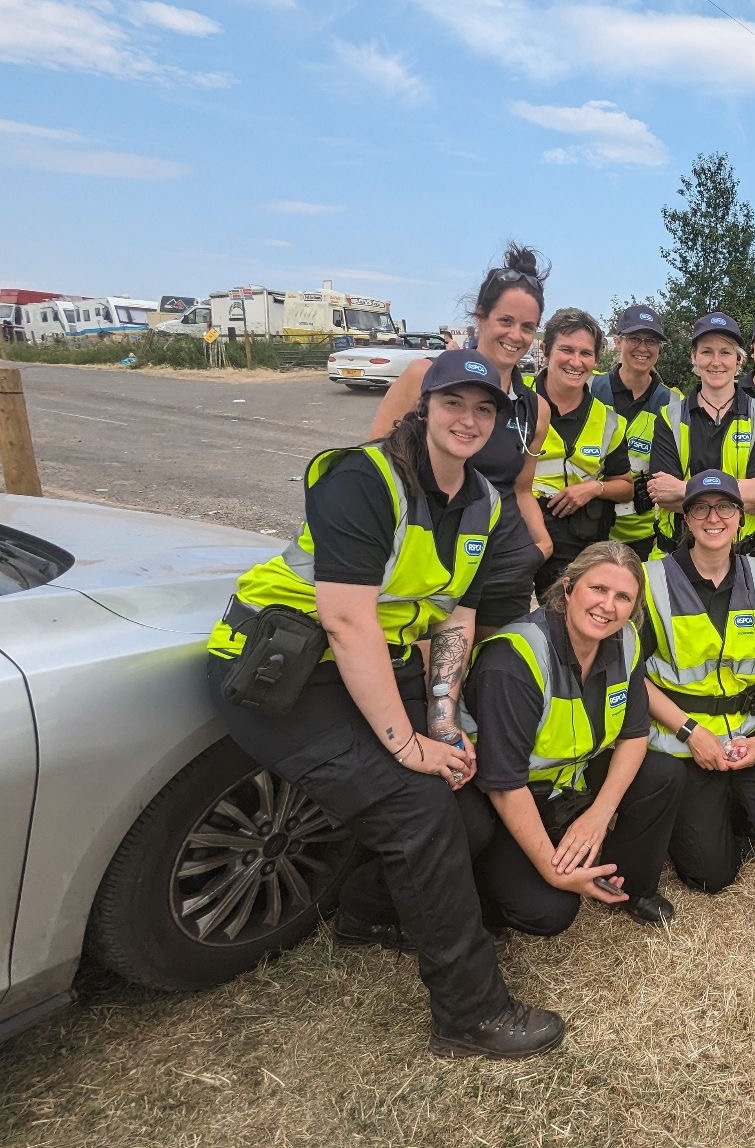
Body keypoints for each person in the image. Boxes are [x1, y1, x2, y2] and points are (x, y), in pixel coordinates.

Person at [205, 350, 561, 1060]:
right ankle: (470, 1014)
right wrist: (406, 747)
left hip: (376, 666)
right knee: (415, 805)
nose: (469, 419)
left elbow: (455, 618)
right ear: (423, 407)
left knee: (463, 800)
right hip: (285, 672)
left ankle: (369, 912)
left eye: (484, 409)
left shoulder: (484, 504)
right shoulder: (362, 478)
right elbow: (346, 622)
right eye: (454, 403)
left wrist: (440, 723)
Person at [465, 542, 686, 931]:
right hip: (502, 801)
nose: (608, 606)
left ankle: (628, 886)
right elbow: (503, 784)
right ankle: (476, 890)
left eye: (623, 597)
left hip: (569, 782)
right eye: (597, 589)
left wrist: (598, 818)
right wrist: (553, 873)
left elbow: (635, 735)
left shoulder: (626, 641)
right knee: (549, 912)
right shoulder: (514, 659)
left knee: (663, 773)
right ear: (567, 589)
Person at [641, 471, 755, 893]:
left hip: (748, 733)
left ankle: (736, 800)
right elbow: (630, 676)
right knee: (710, 877)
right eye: (701, 507)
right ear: (686, 519)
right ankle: (704, 812)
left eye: (725, 508)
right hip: (684, 741)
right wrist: (690, 731)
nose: (713, 518)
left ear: (740, 517)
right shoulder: (651, 580)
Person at [371, 246, 553, 629]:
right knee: (425, 677)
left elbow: (520, 490)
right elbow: (374, 471)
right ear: (479, 318)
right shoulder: (424, 378)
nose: (515, 336)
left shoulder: (534, 408)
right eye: (505, 320)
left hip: (502, 568)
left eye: (527, 327)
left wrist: (541, 546)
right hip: (426, 562)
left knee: (496, 677)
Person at [647, 312, 755, 556]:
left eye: (725, 352)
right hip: (676, 555)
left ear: (739, 360)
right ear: (694, 358)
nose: (716, 361)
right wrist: (737, 497)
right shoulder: (669, 417)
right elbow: (663, 494)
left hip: (744, 556)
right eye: (707, 352)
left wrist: (683, 489)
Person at [528, 308, 633, 595]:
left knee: (562, 627)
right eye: (566, 350)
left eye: (586, 353)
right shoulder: (515, 398)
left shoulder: (609, 420)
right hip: (517, 532)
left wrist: (593, 489)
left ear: (596, 359)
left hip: (577, 541)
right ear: (546, 350)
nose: (576, 362)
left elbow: (625, 487)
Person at [589, 304, 681, 561]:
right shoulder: (590, 389)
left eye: (651, 341)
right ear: (618, 342)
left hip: (642, 534)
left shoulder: (673, 403)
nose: (643, 347)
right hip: (586, 527)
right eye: (634, 339)